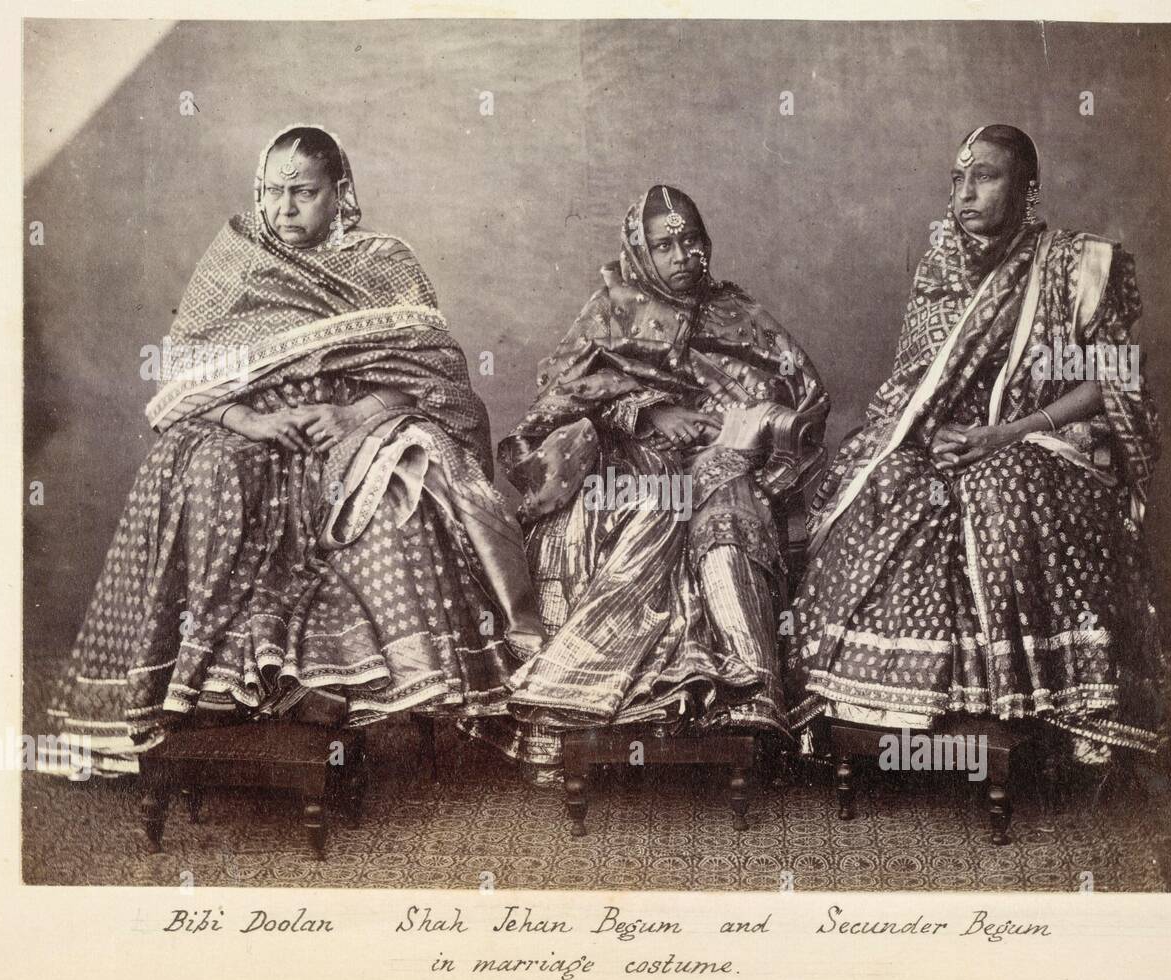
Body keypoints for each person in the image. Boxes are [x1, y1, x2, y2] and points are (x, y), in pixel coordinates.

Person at [44, 124, 545, 778]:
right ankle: (206, 689)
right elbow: (186, 376)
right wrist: (246, 420)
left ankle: (330, 685)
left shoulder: (383, 262)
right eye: (272, 192)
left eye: (302, 193)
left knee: (392, 507)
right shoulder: (238, 255)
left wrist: (353, 413)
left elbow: (434, 381)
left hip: (355, 425)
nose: (283, 209)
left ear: (340, 192)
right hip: (248, 426)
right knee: (205, 473)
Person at [789, 125, 1163, 769]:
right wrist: (928, 433)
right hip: (949, 439)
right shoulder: (938, 266)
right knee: (888, 486)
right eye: (957, 180)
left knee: (1001, 489)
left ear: (1027, 188)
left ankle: (1049, 704)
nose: (965, 193)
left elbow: (1116, 380)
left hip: (1046, 438)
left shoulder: (1081, 264)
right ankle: (880, 708)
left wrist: (1008, 432)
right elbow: (917, 380)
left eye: (984, 176)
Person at [465, 185, 829, 780]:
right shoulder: (612, 310)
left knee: (725, 525)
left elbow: (800, 399)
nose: (684, 255)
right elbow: (557, 396)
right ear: (642, 253)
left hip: (723, 458)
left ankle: (743, 697)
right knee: (601, 517)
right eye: (666, 245)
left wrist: (747, 427)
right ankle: (584, 699)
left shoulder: (740, 314)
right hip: (626, 454)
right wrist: (647, 410)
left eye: (693, 240)